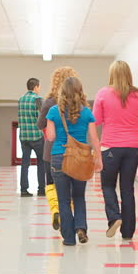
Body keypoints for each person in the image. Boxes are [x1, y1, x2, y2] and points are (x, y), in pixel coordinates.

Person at [94, 60, 138, 240]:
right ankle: (128, 232)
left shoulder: (103, 93)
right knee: (127, 189)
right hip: (133, 147)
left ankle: (114, 217)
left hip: (110, 146)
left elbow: (96, 120)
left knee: (108, 185)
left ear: (112, 74)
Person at [45, 77, 103, 246]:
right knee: (78, 196)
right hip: (81, 158)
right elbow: (94, 138)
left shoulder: (53, 111)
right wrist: (98, 158)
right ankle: (81, 227)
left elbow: (51, 137)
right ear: (80, 92)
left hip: (59, 157)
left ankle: (69, 238)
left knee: (63, 199)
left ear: (62, 92)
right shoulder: (86, 112)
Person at [37, 67, 79, 230]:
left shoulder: (49, 102)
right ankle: (67, 216)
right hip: (74, 150)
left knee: (51, 184)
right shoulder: (78, 102)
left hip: (52, 150)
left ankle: (56, 210)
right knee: (72, 186)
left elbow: (40, 124)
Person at [17, 77, 44, 197]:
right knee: (41, 163)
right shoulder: (38, 99)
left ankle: (23, 190)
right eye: (39, 87)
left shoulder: (21, 99)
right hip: (36, 136)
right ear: (36, 87)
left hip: (24, 136)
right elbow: (41, 118)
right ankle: (41, 189)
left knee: (25, 163)